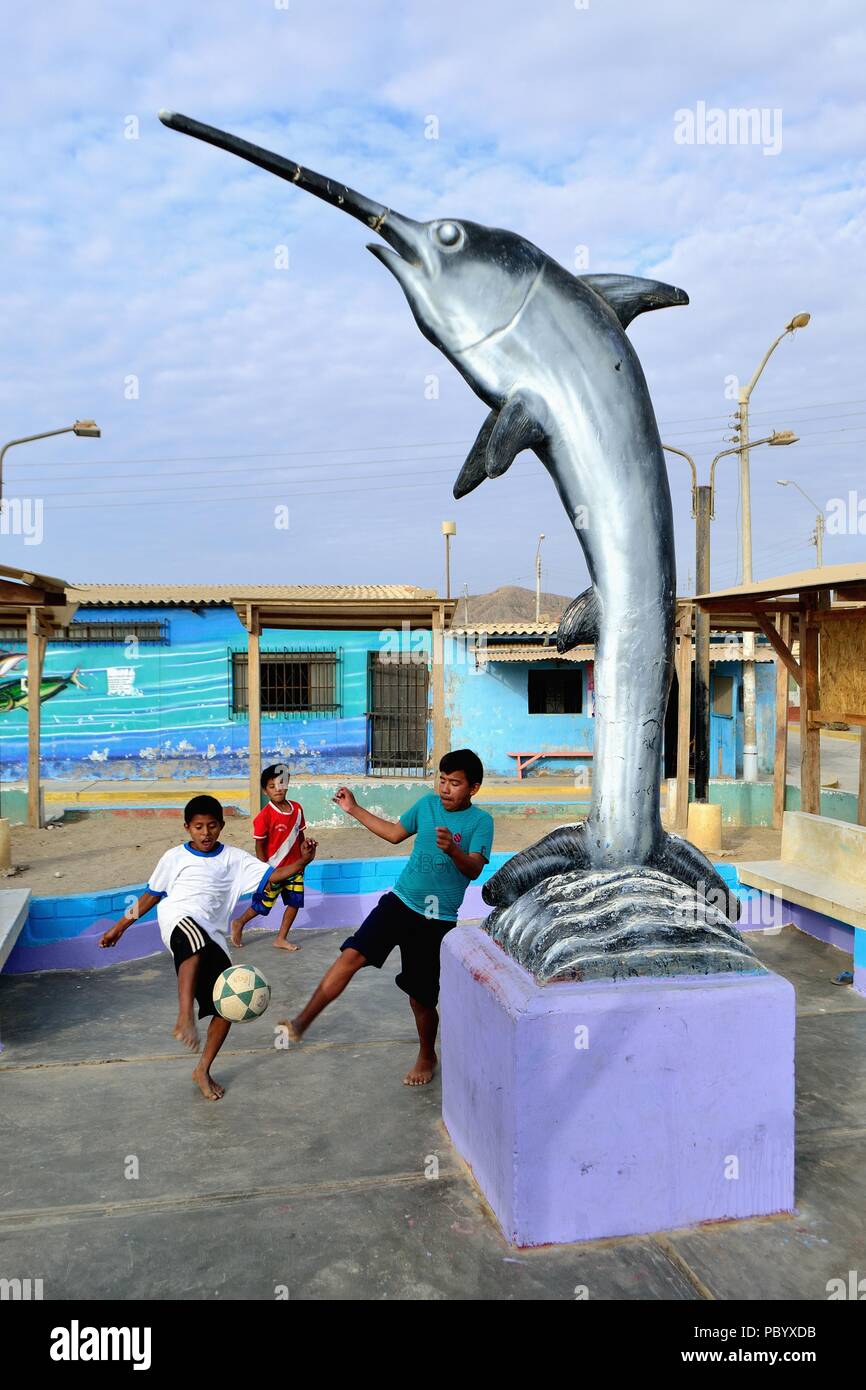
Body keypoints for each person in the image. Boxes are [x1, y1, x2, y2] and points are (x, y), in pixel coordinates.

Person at [278, 749, 493, 1087]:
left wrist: (453, 851)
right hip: (399, 902)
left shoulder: (481, 822)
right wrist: (353, 808)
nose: (445, 788)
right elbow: (394, 833)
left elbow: (475, 869)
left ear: (473, 788)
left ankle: (427, 1054)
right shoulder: (427, 805)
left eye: (455, 783)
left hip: (436, 919)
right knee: (350, 956)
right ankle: (301, 1021)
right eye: (442, 780)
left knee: (420, 999)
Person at [98, 794, 317, 1101]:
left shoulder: (234, 859)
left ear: (221, 826)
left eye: (212, 826)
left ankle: (202, 1069)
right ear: (187, 828)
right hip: (179, 920)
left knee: (227, 1003)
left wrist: (302, 861)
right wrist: (118, 927)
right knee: (194, 940)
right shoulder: (173, 857)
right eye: (198, 827)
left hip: (212, 935)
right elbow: (149, 896)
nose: (205, 833)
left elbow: (272, 876)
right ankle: (185, 1016)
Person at [231, 764, 307, 951]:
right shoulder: (264, 817)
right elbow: (259, 847)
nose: (277, 789)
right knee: (263, 905)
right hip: (273, 871)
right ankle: (239, 922)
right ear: (265, 791)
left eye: (281, 784)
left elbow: (300, 836)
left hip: (295, 868)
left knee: (295, 902)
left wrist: (304, 856)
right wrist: (263, 874)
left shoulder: (297, 809)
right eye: (272, 786)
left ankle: (281, 938)